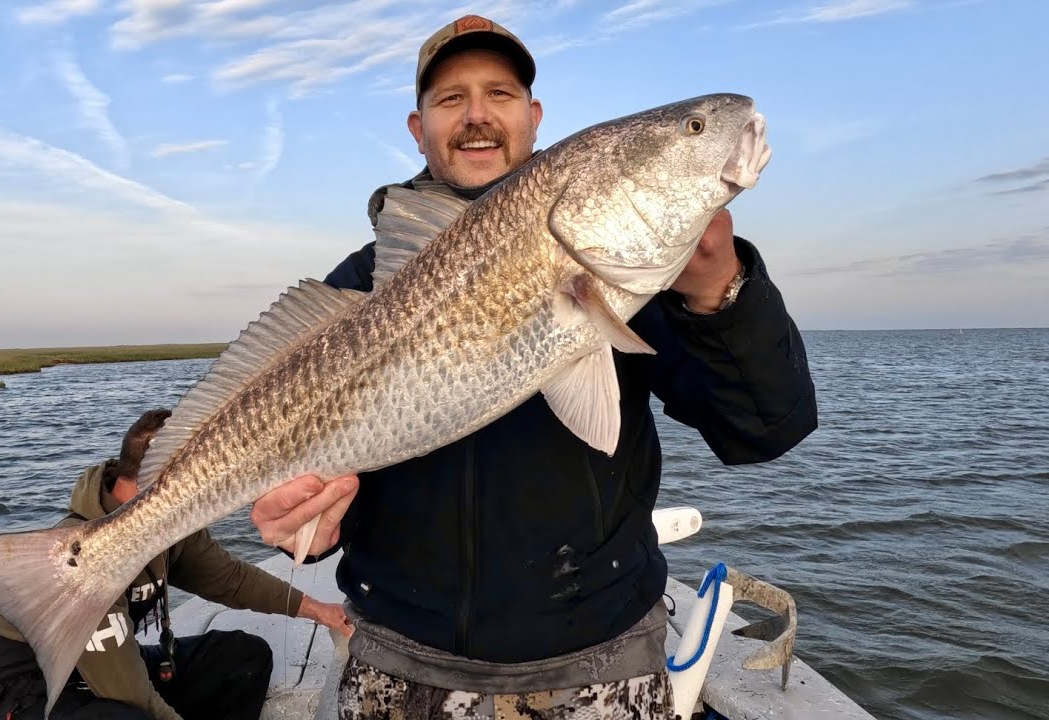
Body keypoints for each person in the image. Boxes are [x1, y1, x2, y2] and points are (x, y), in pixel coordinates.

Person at [250, 14, 817, 720]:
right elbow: (307, 486)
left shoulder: (638, 273)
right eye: (451, 98)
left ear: (534, 115)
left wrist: (720, 293)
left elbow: (766, 430)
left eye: (501, 93)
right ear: (417, 125)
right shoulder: (361, 290)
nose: (478, 115)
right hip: (398, 663)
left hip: (601, 659)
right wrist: (306, 525)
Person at [0, 409, 353, 720]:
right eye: (197, 471)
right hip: (26, 694)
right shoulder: (80, 554)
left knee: (243, 658)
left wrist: (319, 611)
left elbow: (230, 579)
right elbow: (125, 690)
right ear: (159, 477)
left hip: (121, 666)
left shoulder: (170, 524)